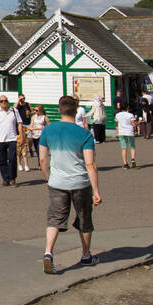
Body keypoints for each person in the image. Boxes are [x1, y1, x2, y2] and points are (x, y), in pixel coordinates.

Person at [38, 95, 102, 274]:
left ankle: (48, 252)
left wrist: (48, 177)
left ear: (59, 110)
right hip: (80, 182)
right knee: (84, 218)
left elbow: (43, 159)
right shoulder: (84, 134)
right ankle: (86, 254)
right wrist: (96, 190)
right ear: (76, 110)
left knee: (55, 218)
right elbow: (90, 164)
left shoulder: (48, 131)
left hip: (57, 182)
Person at [0, 96, 20, 187]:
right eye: (1, 101)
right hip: (0, 140)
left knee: (12, 159)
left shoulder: (14, 111)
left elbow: (19, 123)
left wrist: (21, 136)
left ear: (8, 102)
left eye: (5, 101)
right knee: (2, 160)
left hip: (12, 138)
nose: (4, 102)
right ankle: (5, 178)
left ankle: (12, 178)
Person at [114, 101, 137, 168]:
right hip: (129, 132)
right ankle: (132, 159)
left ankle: (125, 164)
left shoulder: (117, 115)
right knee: (132, 146)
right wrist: (138, 123)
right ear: (127, 107)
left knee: (124, 148)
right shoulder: (130, 115)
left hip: (121, 132)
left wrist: (117, 132)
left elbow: (116, 124)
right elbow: (133, 124)